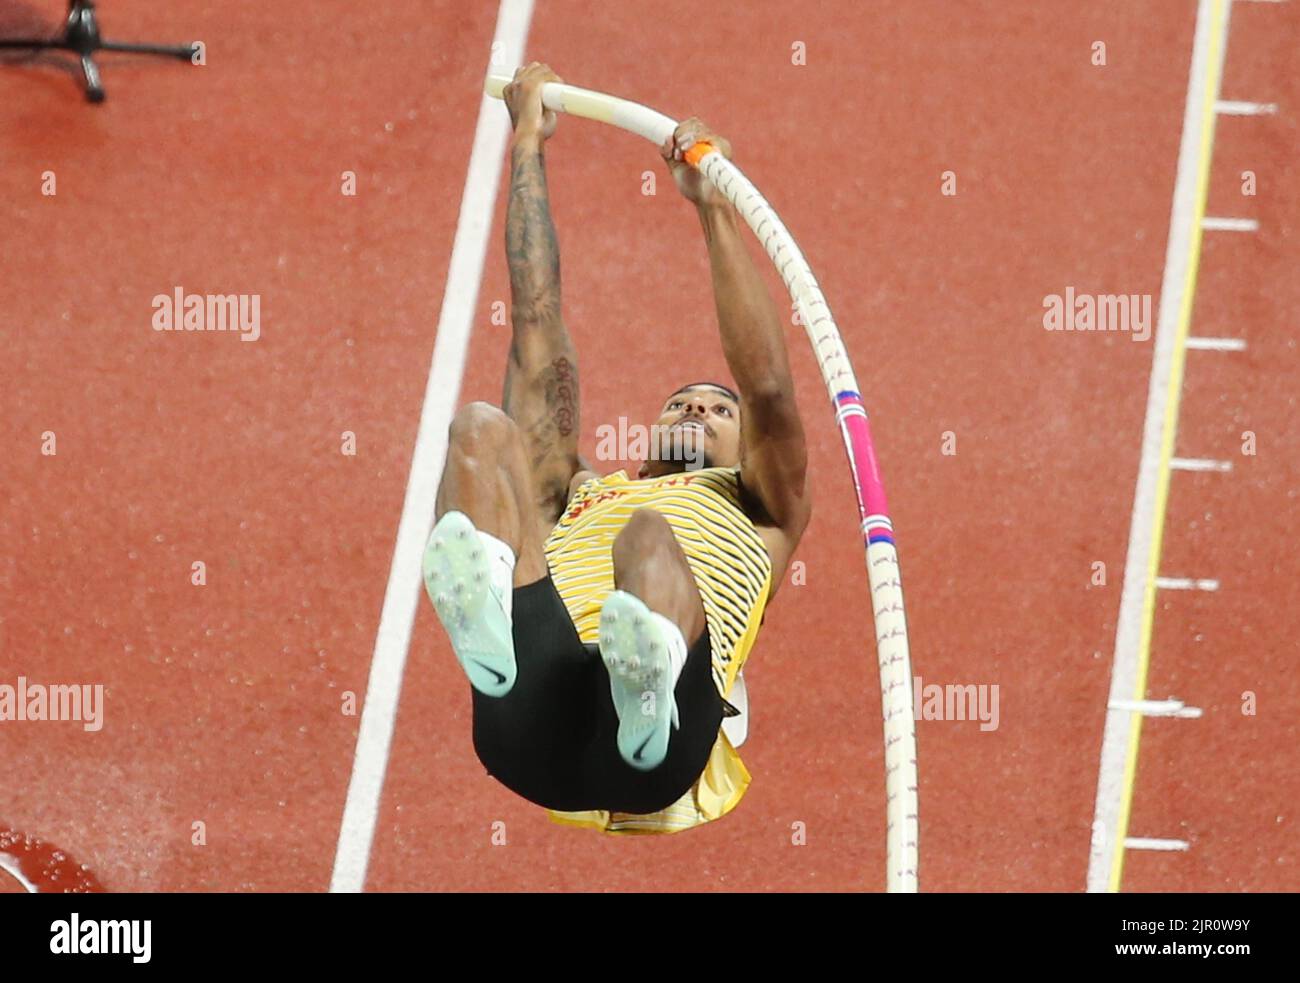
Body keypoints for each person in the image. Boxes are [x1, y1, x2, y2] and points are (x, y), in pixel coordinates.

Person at [422, 62, 811, 833]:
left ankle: (645, 689)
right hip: (529, 724)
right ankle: (488, 631)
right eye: (682, 401)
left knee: (648, 540)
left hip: (661, 756)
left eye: (717, 408)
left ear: (746, 448)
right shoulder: (579, 491)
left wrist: (714, 211)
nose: (700, 403)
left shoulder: (763, 509)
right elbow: (536, 320)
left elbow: (767, 383)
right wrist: (528, 143)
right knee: (478, 431)